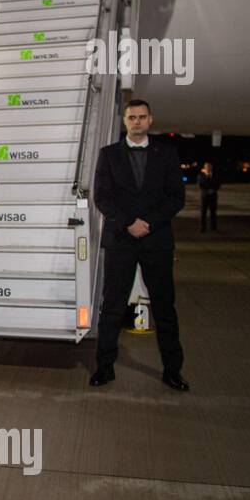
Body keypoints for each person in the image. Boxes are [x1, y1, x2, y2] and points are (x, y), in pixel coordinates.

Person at [91, 99, 188, 391]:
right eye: (132, 117)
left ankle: (172, 370)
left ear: (150, 120)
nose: (137, 122)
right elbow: (102, 197)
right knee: (112, 306)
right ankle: (104, 367)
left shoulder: (167, 154)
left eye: (142, 117)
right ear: (125, 120)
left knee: (164, 308)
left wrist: (148, 223)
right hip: (121, 240)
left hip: (156, 241)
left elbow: (176, 197)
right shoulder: (108, 155)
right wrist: (128, 223)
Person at [199, 161, 219, 233]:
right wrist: (207, 190)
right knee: (203, 213)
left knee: (213, 213)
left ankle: (213, 228)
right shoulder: (201, 176)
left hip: (213, 197)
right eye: (207, 166)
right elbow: (200, 185)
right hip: (204, 197)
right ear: (204, 167)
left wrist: (213, 190)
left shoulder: (215, 175)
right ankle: (203, 228)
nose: (208, 168)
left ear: (211, 167)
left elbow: (218, 184)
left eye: (209, 166)